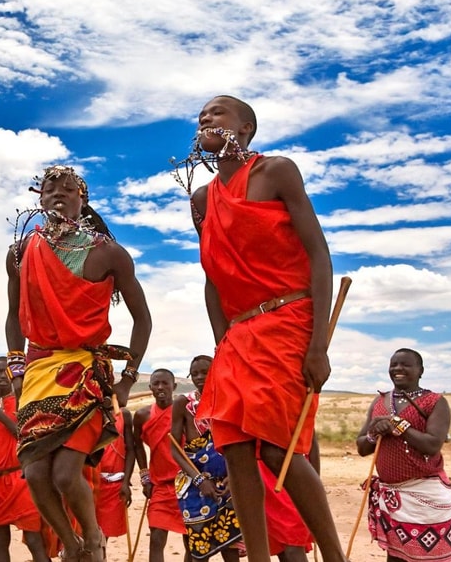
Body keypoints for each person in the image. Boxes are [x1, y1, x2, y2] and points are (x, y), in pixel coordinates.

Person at [181, 95, 348, 562]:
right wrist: (224, 342)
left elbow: (319, 253)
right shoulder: (201, 200)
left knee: (278, 450)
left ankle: (334, 556)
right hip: (238, 333)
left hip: (288, 319)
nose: (206, 119)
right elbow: (213, 277)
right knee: (234, 450)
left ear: (247, 127)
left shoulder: (276, 171)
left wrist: (317, 346)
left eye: (218, 112)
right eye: (201, 116)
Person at [6, 164, 152, 562]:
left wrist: (128, 379)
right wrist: (16, 368)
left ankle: (93, 538)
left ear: (82, 199)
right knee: (36, 474)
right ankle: (70, 546)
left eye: (68, 188)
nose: (57, 193)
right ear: (39, 198)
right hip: (38, 372)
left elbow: (143, 318)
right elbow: (14, 316)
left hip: (85, 371)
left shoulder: (108, 253)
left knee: (66, 473)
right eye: (49, 188)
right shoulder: (21, 251)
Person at [356, 348, 451, 562]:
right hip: (393, 500)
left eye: (405, 365)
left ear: (420, 371)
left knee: (434, 557)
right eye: (394, 364)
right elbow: (361, 447)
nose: (398, 369)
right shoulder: (379, 403)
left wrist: (398, 425)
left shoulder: (434, 402)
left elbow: (432, 445)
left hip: (426, 497)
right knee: (396, 556)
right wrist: (375, 433)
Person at [0, 356, 51, 562]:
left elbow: (28, 438)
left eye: (6, 371)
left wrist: (3, 417)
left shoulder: (24, 402)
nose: (2, 375)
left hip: (22, 479)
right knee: (0, 542)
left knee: (33, 540)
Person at [170, 356, 241, 561]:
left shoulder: (230, 399)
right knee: (198, 550)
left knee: (231, 547)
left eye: (205, 372)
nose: (200, 377)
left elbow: (237, 444)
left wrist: (233, 477)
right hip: (195, 485)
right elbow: (175, 449)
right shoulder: (183, 403)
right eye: (195, 373)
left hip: (226, 484)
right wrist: (200, 480)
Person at [132, 369, 187, 562]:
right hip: (160, 486)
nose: (161, 387)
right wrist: (144, 475)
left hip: (188, 485)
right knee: (156, 537)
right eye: (156, 384)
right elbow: (137, 445)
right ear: (150, 388)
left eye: (165, 383)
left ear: (174, 386)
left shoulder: (185, 413)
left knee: (191, 541)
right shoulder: (142, 415)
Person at [94, 399, 134, 549]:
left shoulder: (124, 415)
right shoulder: (88, 413)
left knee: (104, 532)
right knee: (87, 531)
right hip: (91, 482)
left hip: (115, 483)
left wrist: (126, 482)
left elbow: (130, 449)